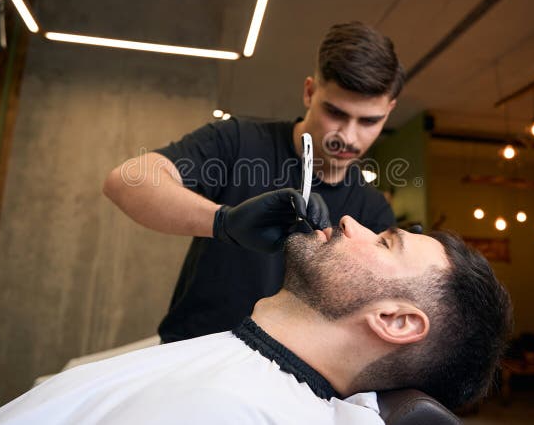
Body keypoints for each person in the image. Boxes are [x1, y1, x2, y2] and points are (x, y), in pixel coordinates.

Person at [0, 218, 512, 424]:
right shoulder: (241, 377)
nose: (351, 222)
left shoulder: (228, 410)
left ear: (394, 320)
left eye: (385, 243)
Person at [104, 22, 406, 342]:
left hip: (293, 369)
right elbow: (125, 181)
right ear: (309, 92)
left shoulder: (373, 211)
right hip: (194, 351)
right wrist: (224, 222)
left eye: (369, 121)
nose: (347, 137)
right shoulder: (239, 141)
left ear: (389, 111)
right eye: (335, 113)